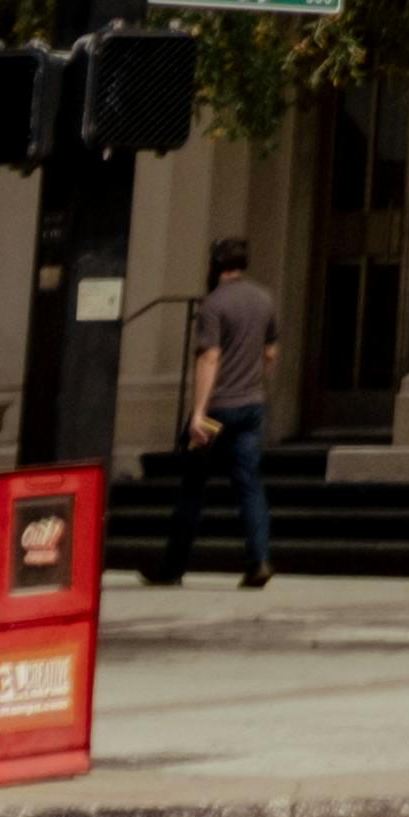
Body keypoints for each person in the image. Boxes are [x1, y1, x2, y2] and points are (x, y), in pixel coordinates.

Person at [159, 234, 279, 589]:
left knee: (193, 487)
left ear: (215, 265)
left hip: (216, 411)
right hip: (251, 406)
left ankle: (173, 566)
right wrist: (255, 382)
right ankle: (259, 560)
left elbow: (209, 356)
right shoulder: (264, 299)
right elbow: (271, 352)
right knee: (250, 485)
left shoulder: (213, 305)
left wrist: (198, 413)